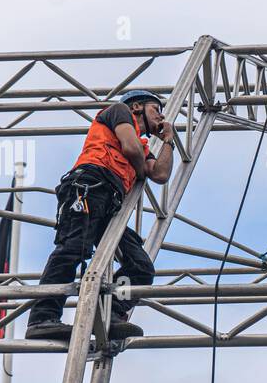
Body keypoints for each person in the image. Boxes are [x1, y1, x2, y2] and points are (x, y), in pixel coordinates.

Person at [25, 89, 174, 341]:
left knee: (140, 266)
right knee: (73, 248)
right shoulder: (119, 111)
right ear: (137, 106)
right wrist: (139, 170)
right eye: (155, 110)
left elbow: (159, 174)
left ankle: (111, 313)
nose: (160, 117)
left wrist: (168, 140)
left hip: (109, 202)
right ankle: (42, 317)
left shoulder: (143, 143)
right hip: (88, 185)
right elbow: (131, 150)